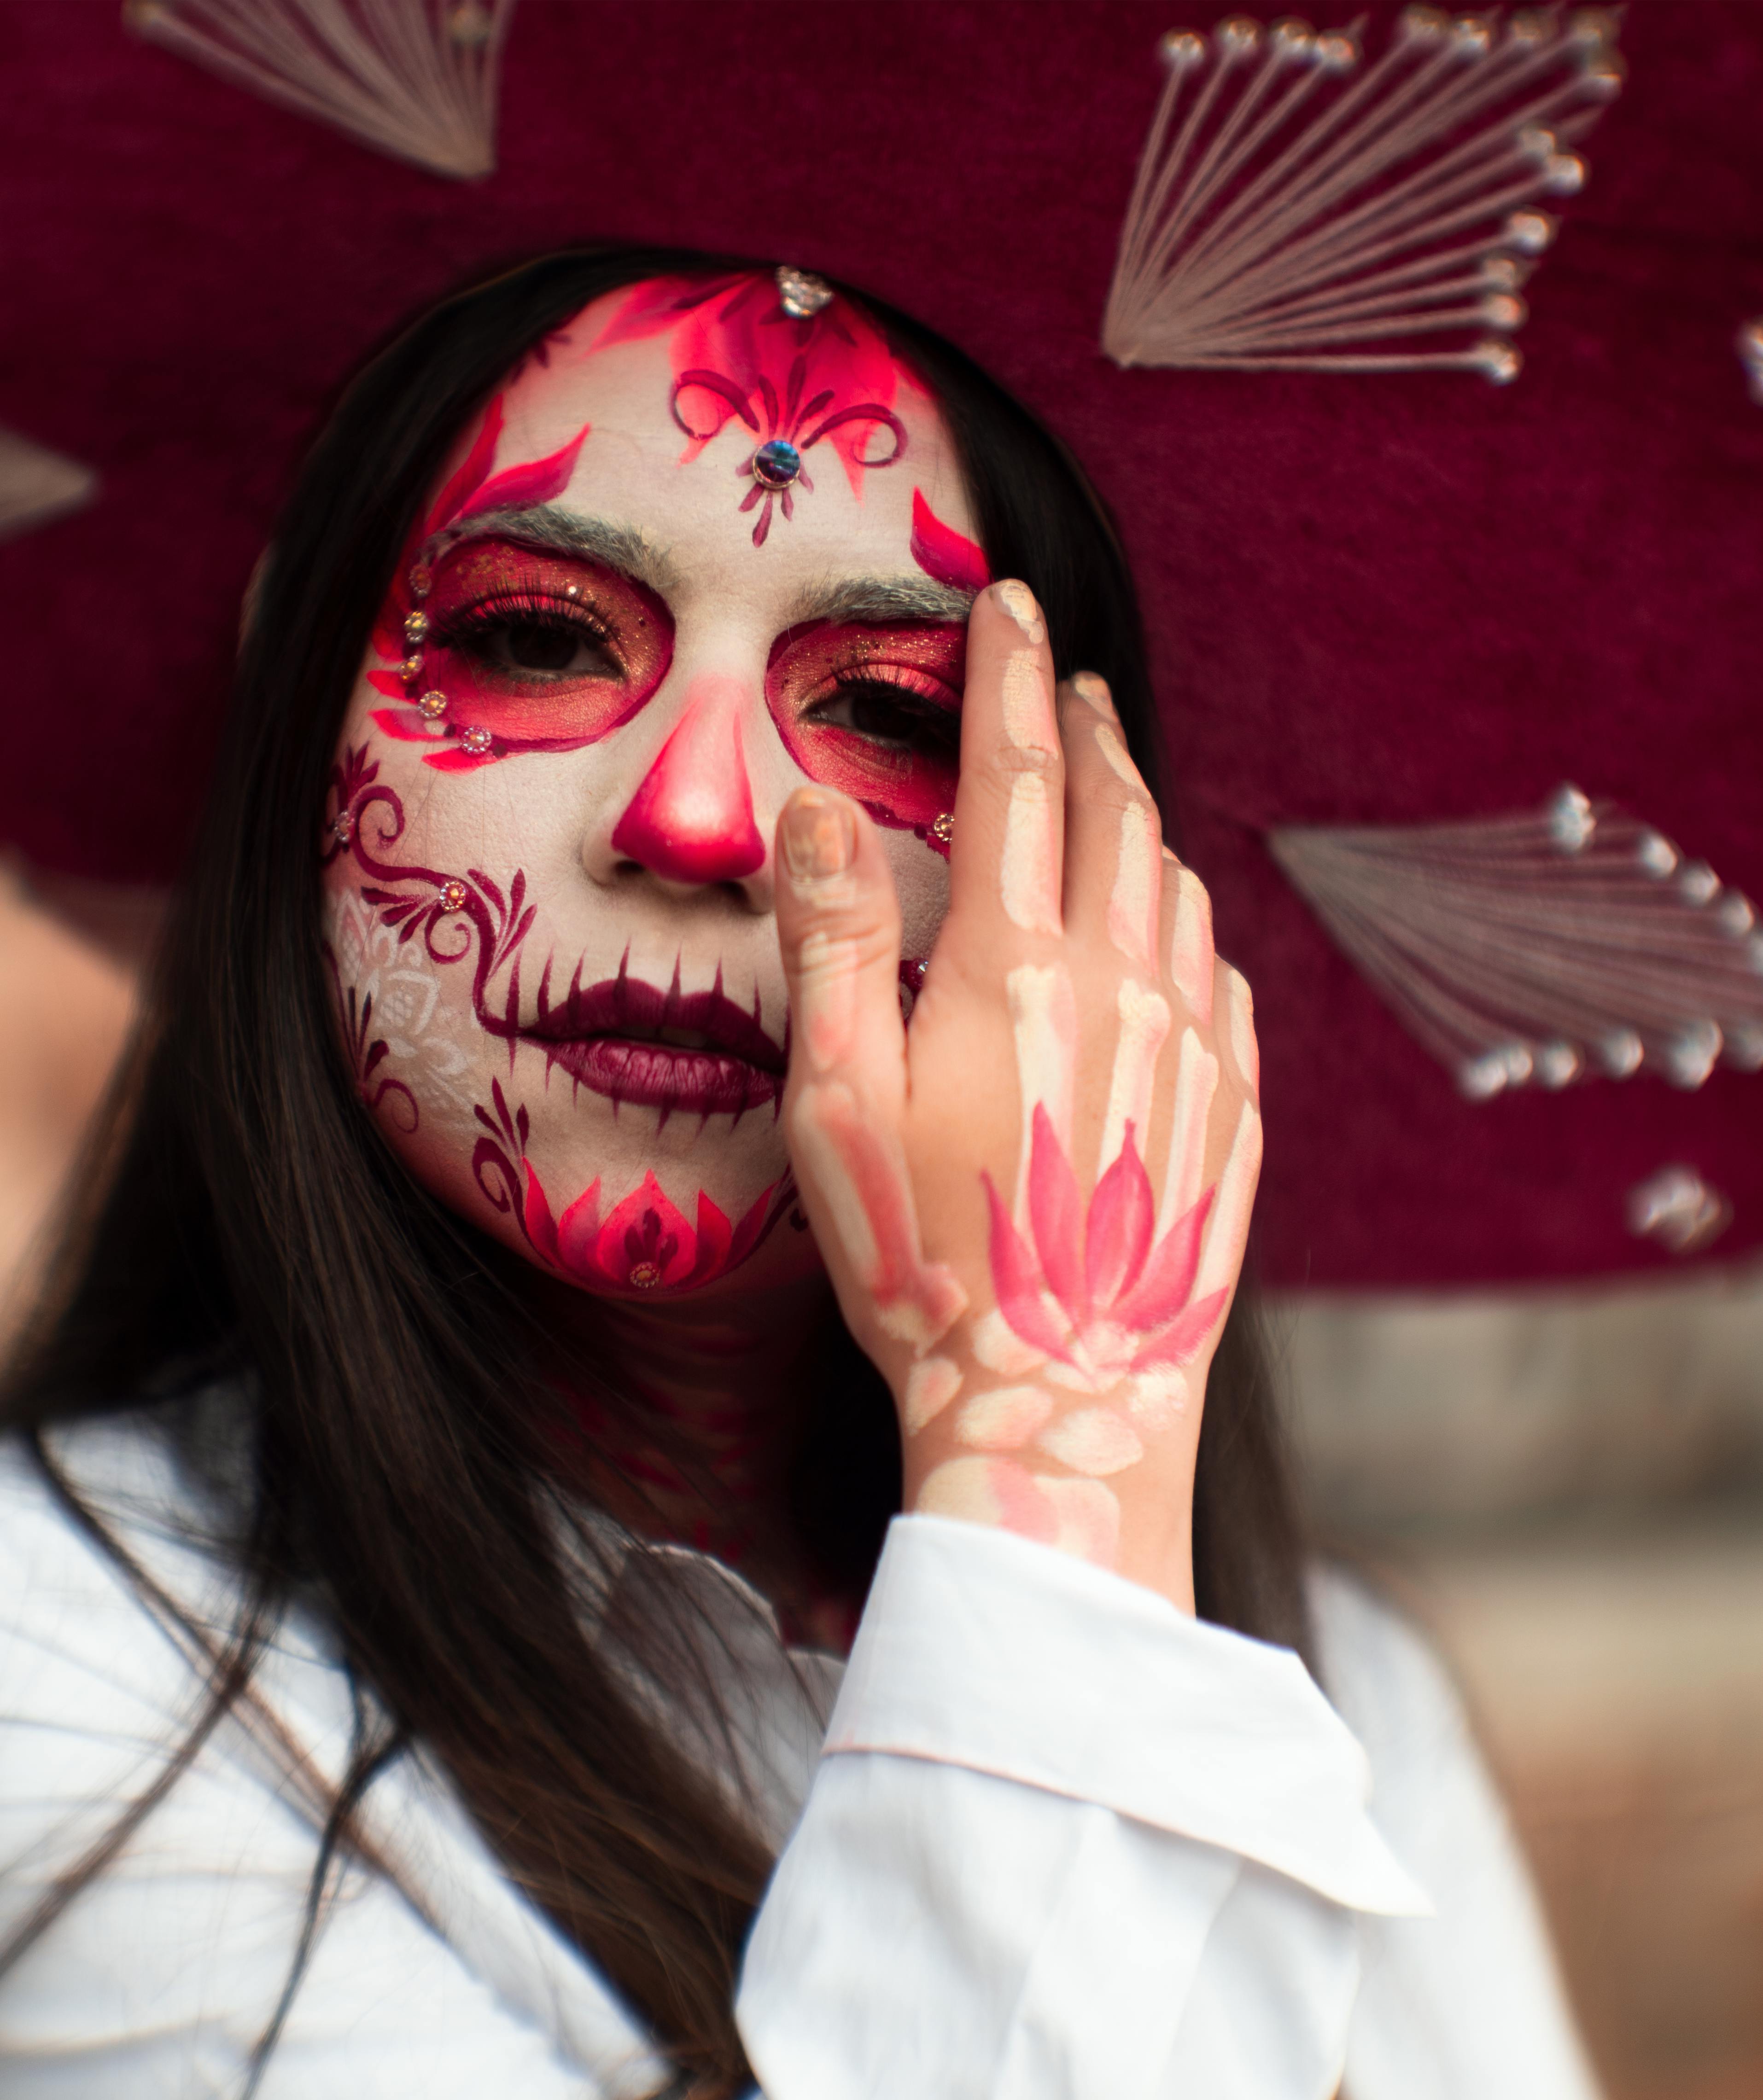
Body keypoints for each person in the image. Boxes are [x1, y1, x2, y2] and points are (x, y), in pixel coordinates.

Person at [0, 245, 1599, 2099]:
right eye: (539, 634)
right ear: (299, 749)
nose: (700, 818)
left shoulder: (1343, 1706)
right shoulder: (57, 1671)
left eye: (891, 712)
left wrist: (1057, 1453)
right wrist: (1044, 1455)